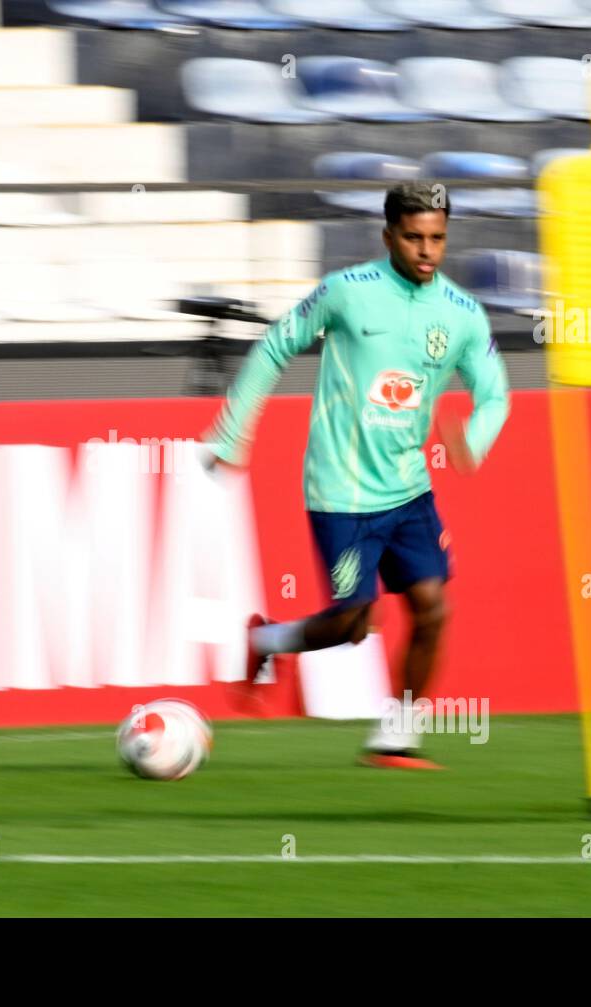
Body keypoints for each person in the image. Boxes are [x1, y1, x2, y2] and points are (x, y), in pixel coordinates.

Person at [202, 181, 510, 769]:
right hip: (340, 489)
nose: (427, 251)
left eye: (438, 239)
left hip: (409, 489)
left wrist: (471, 442)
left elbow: (495, 395)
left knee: (432, 608)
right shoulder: (347, 292)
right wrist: (233, 431)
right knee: (351, 624)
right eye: (415, 238)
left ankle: (396, 735)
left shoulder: (463, 314)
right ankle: (266, 641)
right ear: (388, 235)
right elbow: (275, 345)